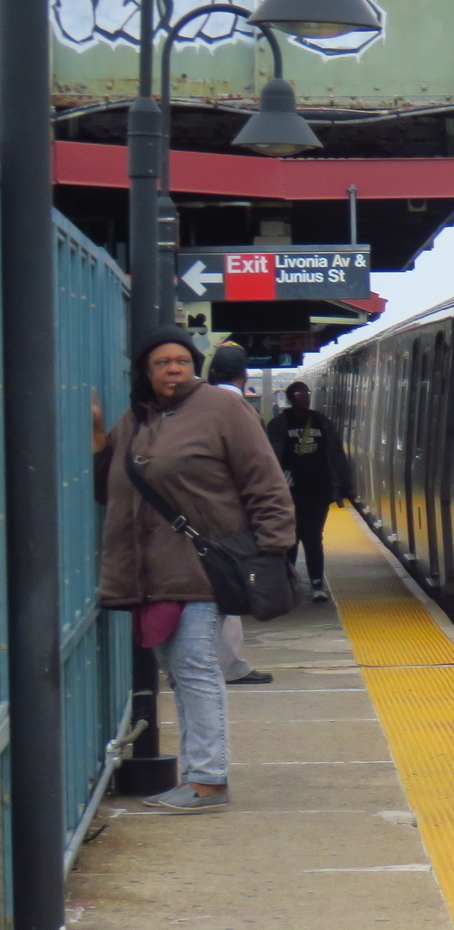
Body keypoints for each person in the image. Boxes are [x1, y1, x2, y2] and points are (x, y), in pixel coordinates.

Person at [95, 326, 295, 813]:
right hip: (151, 574)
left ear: (195, 366)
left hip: (205, 565)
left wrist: (273, 547)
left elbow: (265, 480)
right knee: (179, 669)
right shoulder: (135, 419)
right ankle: (198, 777)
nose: (174, 369)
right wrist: (100, 438)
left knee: (194, 664)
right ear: (146, 372)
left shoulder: (223, 409)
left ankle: (208, 779)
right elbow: (107, 490)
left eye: (182, 361)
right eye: (162, 363)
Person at [204, 342, 274, 684]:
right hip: (230, 520)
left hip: (194, 518)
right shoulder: (243, 411)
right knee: (228, 595)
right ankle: (229, 666)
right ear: (243, 377)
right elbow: (260, 472)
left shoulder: (193, 407)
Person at [267, 380, 352, 604]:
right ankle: (289, 584)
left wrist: (344, 484)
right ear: (289, 398)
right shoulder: (279, 424)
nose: (304, 397)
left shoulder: (322, 422)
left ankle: (317, 584)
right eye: (298, 393)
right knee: (291, 539)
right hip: (289, 492)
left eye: (306, 392)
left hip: (318, 490)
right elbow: (270, 457)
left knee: (314, 537)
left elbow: (336, 454)